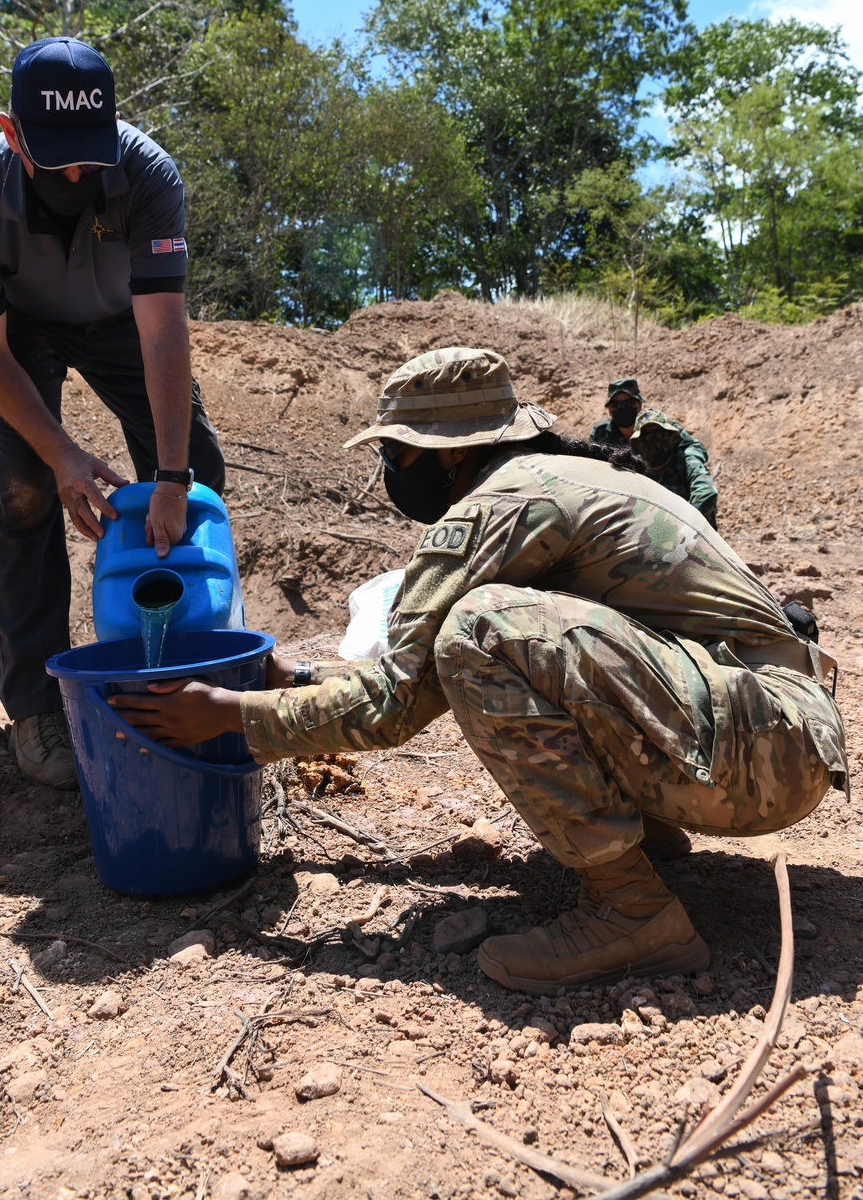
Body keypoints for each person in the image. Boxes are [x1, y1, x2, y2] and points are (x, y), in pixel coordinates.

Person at [111, 347, 847, 993]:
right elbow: (427, 681)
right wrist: (298, 685)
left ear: (449, 453)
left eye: (396, 455)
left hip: (758, 758)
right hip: (775, 735)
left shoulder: (496, 507)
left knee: (481, 629)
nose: (389, 472)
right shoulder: (563, 476)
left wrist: (231, 717)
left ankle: (633, 913)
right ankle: (651, 833)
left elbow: (396, 703)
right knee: (497, 632)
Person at [0, 36, 225, 789]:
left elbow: (162, 328)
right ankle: (37, 706)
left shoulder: (149, 174)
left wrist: (168, 475)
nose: (71, 172)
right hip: (17, 331)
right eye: (52, 153)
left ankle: (194, 672)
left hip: (123, 321)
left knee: (197, 477)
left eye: (86, 153)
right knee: (27, 488)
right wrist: (62, 454)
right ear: (10, 132)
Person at [591, 377, 718, 528]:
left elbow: (691, 446)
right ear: (609, 408)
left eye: (628, 403)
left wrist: (689, 463)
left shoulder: (660, 424)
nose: (623, 408)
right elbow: (593, 469)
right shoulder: (601, 433)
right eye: (616, 405)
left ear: (639, 404)